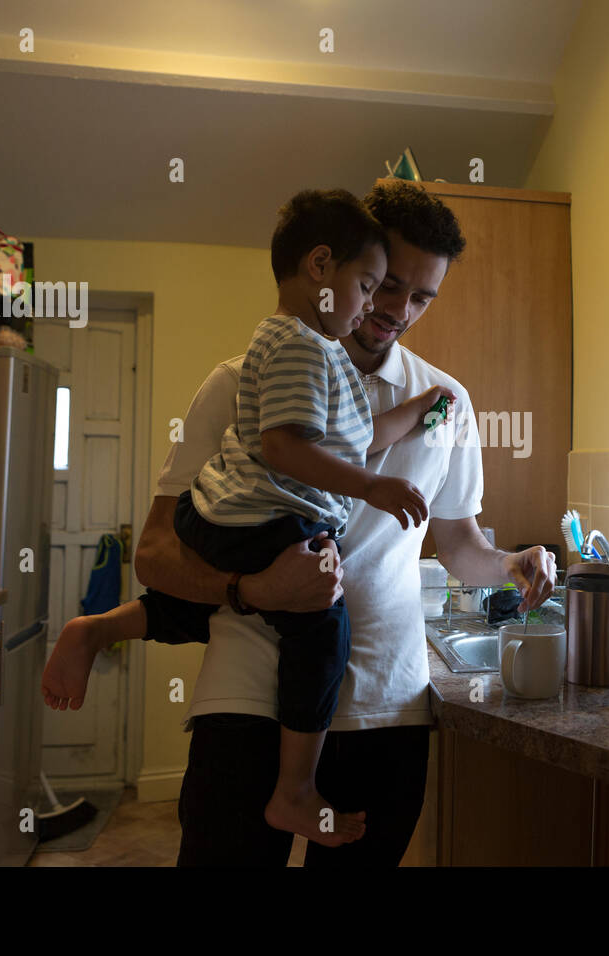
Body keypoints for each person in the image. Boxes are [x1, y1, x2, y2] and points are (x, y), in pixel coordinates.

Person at [46, 181, 556, 866]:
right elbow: (157, 551)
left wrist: (512, 562)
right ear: (349, 264)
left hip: (388, 702)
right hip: (250, 696)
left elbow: (459, 544)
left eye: (423, 297)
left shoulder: (447, 403)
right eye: (388, 286)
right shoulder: (240, 382)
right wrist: (253, 593)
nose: (400, 311)